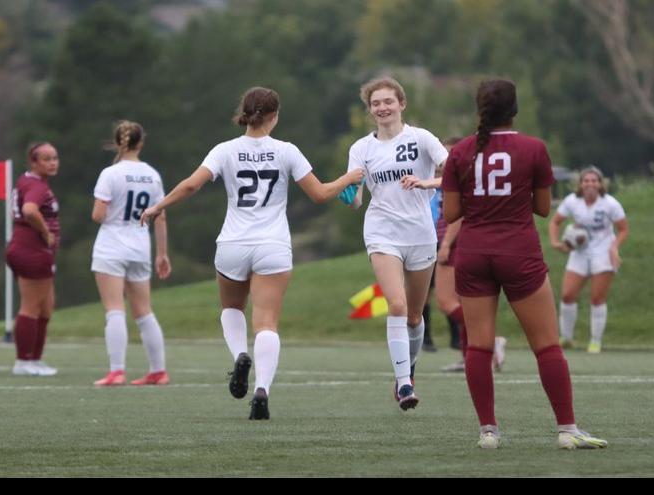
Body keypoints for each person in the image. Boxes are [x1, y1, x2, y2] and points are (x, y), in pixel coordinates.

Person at [140, 87, 364, 419]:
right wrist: (349, 177)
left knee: (232, 308)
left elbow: (191, 185)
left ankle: (239, 357)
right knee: (267, 323)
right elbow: (319, 194)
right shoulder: (287, 151)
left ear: (244, 114)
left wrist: (159, 206)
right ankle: (262, 390)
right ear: (275, 116)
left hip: (233, 244)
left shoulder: (225, 150)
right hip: (272, 246)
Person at [439, 78, 607, 450]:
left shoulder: (461, 152)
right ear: (514, 110)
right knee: (547, 345)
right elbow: (544, 208)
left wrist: (479, 201)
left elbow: (451, 212)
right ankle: (566, 428)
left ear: (479, 109)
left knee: (478, 347)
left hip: (474, 252)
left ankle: (488, 431)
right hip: (519, 251)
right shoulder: (533, 148)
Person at [343, 77, 449, 411]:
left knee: (415, 317)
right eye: (376, 103)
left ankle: (409, 368)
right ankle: (404, 385)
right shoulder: (362, 148)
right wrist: (348, 192)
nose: (382, 108)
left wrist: (426, 182)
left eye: (388, 101)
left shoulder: (421, 138)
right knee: (398, 306)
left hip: (420, 234)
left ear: (401, 104)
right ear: (370, 110)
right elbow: (355, 200)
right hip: (382, 232)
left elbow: (455, 175)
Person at [91, 121, 173, 387]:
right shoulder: (153, 175)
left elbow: (98, 215)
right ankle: (158, 371)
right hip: (140, 247)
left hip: (111, 246)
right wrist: (162, 254)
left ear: (118, 143)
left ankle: (117, 371)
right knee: (144, 311)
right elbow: (160, 218)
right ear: (141, 143)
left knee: (115, 309)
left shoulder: (110, 174)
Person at [430, 138, 507, 374]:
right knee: (461, 301)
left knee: (445, 301)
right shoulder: (448, 177)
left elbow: (459, 215)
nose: (446, 157)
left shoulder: (462, 177)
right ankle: (469, 357)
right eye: (443, 152)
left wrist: (446, 244)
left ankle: (492, 339)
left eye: (450, 152)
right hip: (455, 240)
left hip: (454, 242)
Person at [549, 167, 628, 353]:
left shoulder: (610, 204)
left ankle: (595, 341)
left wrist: (614, 247)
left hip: (603, 252)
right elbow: (555, 221)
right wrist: (555, 242)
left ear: (601, 184)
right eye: (586, 181)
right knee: (567, 295)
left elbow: (623, 229)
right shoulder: (572, 201)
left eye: (594, 180)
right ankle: (566, 338)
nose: (590, 184)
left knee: (597, 297)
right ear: (580, 184)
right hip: (580, 253)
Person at [5, 142, 60, 377]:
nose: (52, 162)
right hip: (31, 251)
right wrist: (45, 232)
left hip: (28, 250)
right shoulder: (36, 185)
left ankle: (35, 360)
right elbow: (29, 210)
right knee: (31, 307)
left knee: (46, 308)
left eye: (55, 158)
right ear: (33, 162)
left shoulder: (27, 181)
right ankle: (23, 361)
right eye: (46, 159)